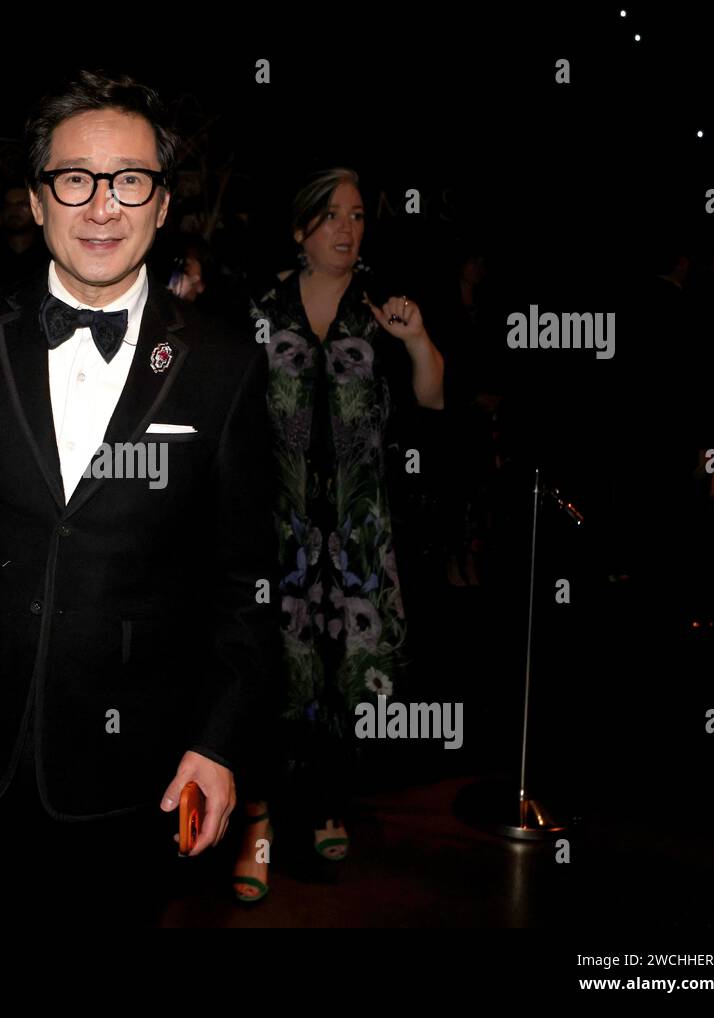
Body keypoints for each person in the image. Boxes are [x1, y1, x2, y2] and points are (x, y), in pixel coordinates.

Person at [0, 70, 278, 926]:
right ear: (36, 200)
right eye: (74, 180)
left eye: (130, 180)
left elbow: (246, 581)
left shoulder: (224, 365)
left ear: (162, 204)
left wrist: (218, 741)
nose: (102, 207)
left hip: (136, 779)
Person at [232, 167, 444, 902]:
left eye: (356, 216)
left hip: (355, 529)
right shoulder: (259, 307)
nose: (347, 230)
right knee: (268, 676)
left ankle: (326, 800)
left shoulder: (381, 307)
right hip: (276, 527)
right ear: (299, 229)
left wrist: (417, 342)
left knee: (339, 680)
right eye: (329, 217)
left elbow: (432, 397)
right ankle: (255, 822)